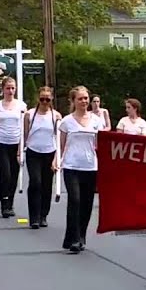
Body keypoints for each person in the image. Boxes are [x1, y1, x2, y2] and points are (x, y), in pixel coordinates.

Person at [56, 85, 105, 253]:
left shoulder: (97, 121)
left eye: (86, 98)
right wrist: (57, 161)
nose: (84, 101)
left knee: (86, 203)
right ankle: (74, 238)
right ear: (73, 101)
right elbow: (60, 145)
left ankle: (81, 235)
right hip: (71, 166)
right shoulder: (66, 122)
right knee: (74, 200)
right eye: (80, 99)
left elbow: (102, 145)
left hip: (91, 166)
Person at [23, 86, 60, 229]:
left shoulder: (56, 116)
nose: (45, 102)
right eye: (42, 99)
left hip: (50, 152)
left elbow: (59, 138)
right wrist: (21, 151)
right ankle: (34, 216)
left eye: (47, 99)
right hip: (33, 151)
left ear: (51, 100)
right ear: (38, 99)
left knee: (46, 185)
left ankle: (43, 214)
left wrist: (57, 158)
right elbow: (25, 134)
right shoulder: (30, 115)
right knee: (35, 182)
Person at [0, 76, 27, 218]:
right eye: (8, 88)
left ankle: (10, 202)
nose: (11, 91)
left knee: (14, 174)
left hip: (16, 143)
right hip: (1, 143)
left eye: (13, 88)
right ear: (3, 89)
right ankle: (4, 203)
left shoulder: (21, 105)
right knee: (5, 174)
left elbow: (24, 127)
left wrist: (22, 146)